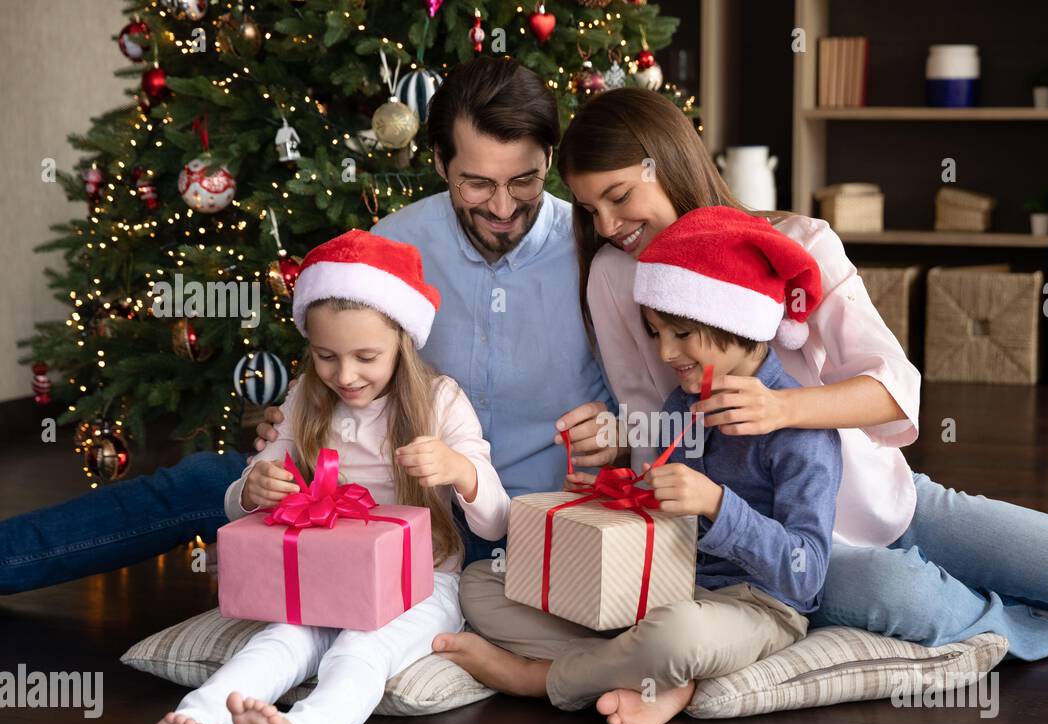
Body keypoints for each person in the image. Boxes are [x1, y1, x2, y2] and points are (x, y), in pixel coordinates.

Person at [502, 87, 1048, 662]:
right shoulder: (618, 279)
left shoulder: (802, 243)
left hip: (885, 505)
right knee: (896, 591)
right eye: (591, 211)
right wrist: (617, 438)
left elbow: (892, 387)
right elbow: (652, 418)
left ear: (667, 163)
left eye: (619, 198)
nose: (610, 226)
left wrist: (781, 411)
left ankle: (958, 590)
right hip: (777, 552)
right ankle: (1011, 626)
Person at [0, 56, 611, 594]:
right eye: (476, 183)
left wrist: (619, 432)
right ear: (438, 162)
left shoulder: (596, 251)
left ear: (550, 159)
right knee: (200, 482)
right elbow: (343, 357)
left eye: (523, 181)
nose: (502, 208)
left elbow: (649, 391)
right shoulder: (392, 242)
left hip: (531, 521)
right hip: (378, 512)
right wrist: (298, 419)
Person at [126, 230, 509, 724]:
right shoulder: (308, 397)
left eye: (366, 357)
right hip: (324, 577)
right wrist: (254, 488)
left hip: (422, 584)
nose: (346, 375)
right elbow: (241, 502)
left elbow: (497, 522)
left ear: (402, 340)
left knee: (361, 651)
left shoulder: (442, 401)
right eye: (327, 356)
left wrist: (460, 470)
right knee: (279, 643)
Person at [443, 207, 842, 724]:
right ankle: (651, 676)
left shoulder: (801, 430)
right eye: (655, 333)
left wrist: (718, 506)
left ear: (738, 322)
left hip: (756, 607)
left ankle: (540, 679)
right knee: (484, 583)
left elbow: (807, 576)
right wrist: (611, 493)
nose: (665, 352)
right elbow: (657, 518)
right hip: (661, 591)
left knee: (676, 637)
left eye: (681, 333)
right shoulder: (681, 406)